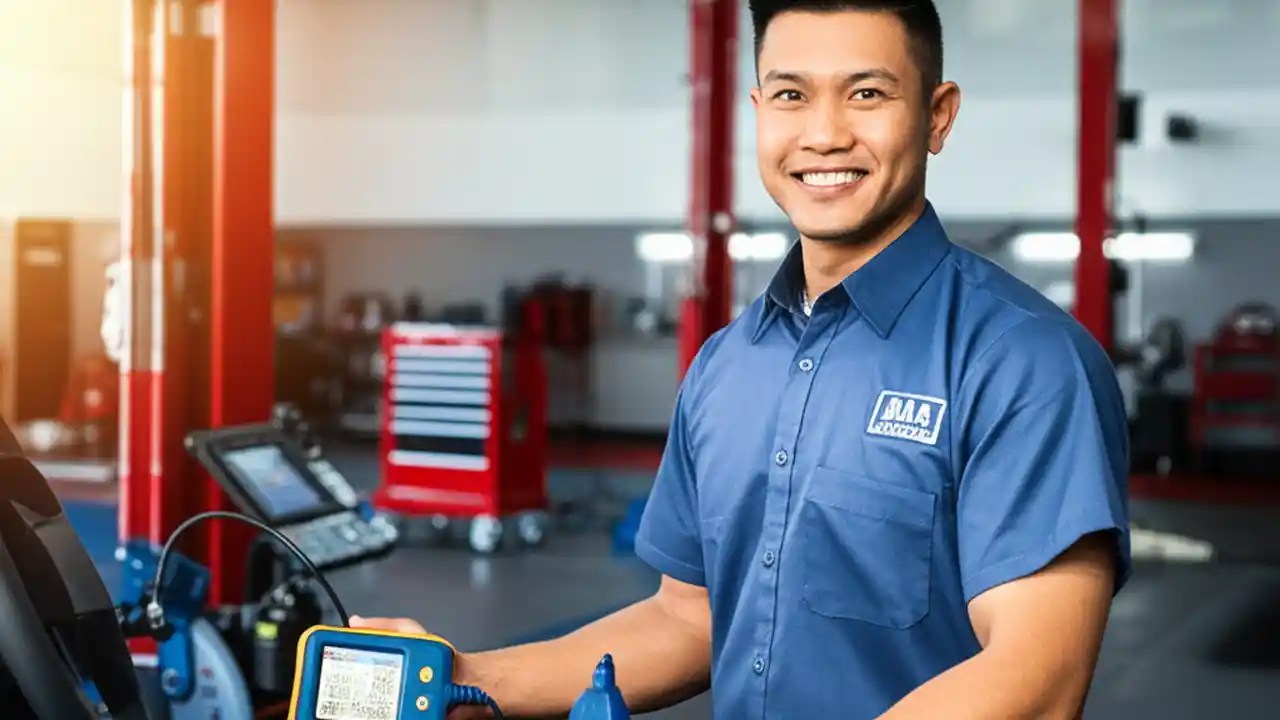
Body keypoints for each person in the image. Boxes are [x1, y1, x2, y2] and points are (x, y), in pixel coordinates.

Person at [354, 1, 1132, 717]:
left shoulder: (1022, 363)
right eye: (792, 95)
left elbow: (1037, 677)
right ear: (758, 112)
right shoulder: (726, 366)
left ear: (937, 115)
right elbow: (687, 619)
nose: (823, 135)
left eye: (866, 93)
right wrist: (467, 681)